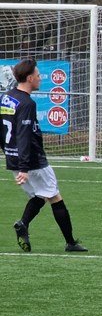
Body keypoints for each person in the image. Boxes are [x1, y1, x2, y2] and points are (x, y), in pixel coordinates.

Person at [2, 59, 87, 252]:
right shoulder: (27, 103)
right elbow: (23, 135)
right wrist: (24, 166)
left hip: (13, 158)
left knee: (40, 196)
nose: (40, 78)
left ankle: (23, 224)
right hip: (32, 161)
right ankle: (70, 242)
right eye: (38, 76)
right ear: (30, 78)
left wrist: (8, 152)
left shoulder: (6, 97)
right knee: (55, 197)